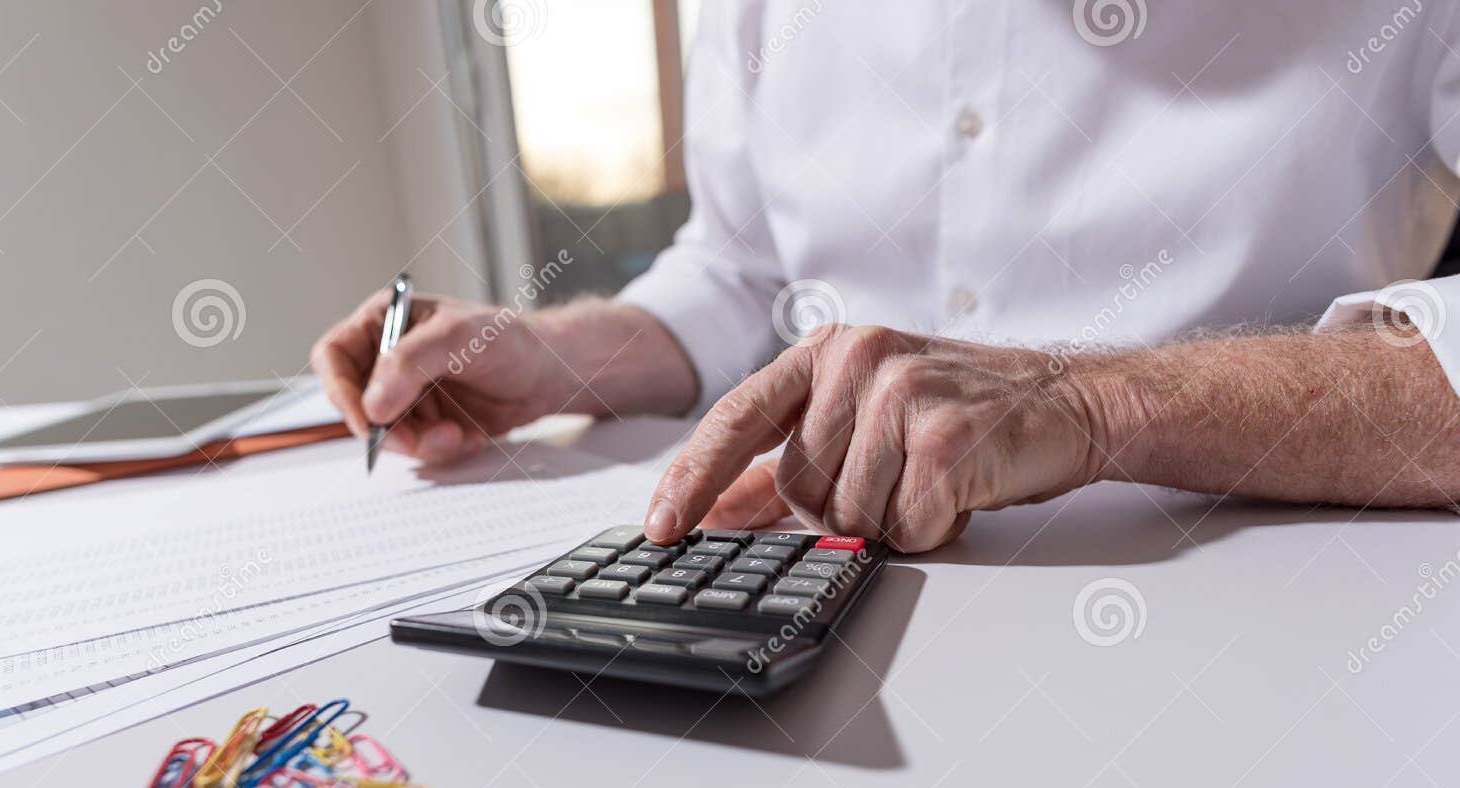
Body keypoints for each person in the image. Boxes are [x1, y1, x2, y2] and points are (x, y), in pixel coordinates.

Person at [312, 1, 1460, 553]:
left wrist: (1098, 405)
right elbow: (740, 264)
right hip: (811, 554)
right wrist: (561, 354)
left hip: (1244, 593)